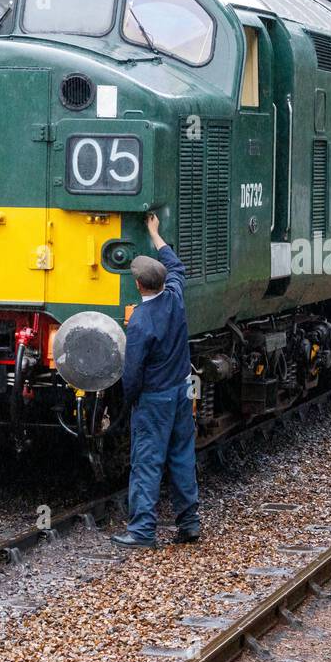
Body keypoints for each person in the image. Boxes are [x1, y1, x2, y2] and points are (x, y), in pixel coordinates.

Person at [112, 211, 201, 549]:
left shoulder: (140, 322)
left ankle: (142, 531)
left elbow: (132, 373)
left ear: (138, 284)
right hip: (181, 392)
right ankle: (189, 524)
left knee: (147, 462)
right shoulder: (175, 298)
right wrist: (156, 235)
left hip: (153, 400)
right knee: (182, 457)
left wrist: (128, 401)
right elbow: (176, 266)